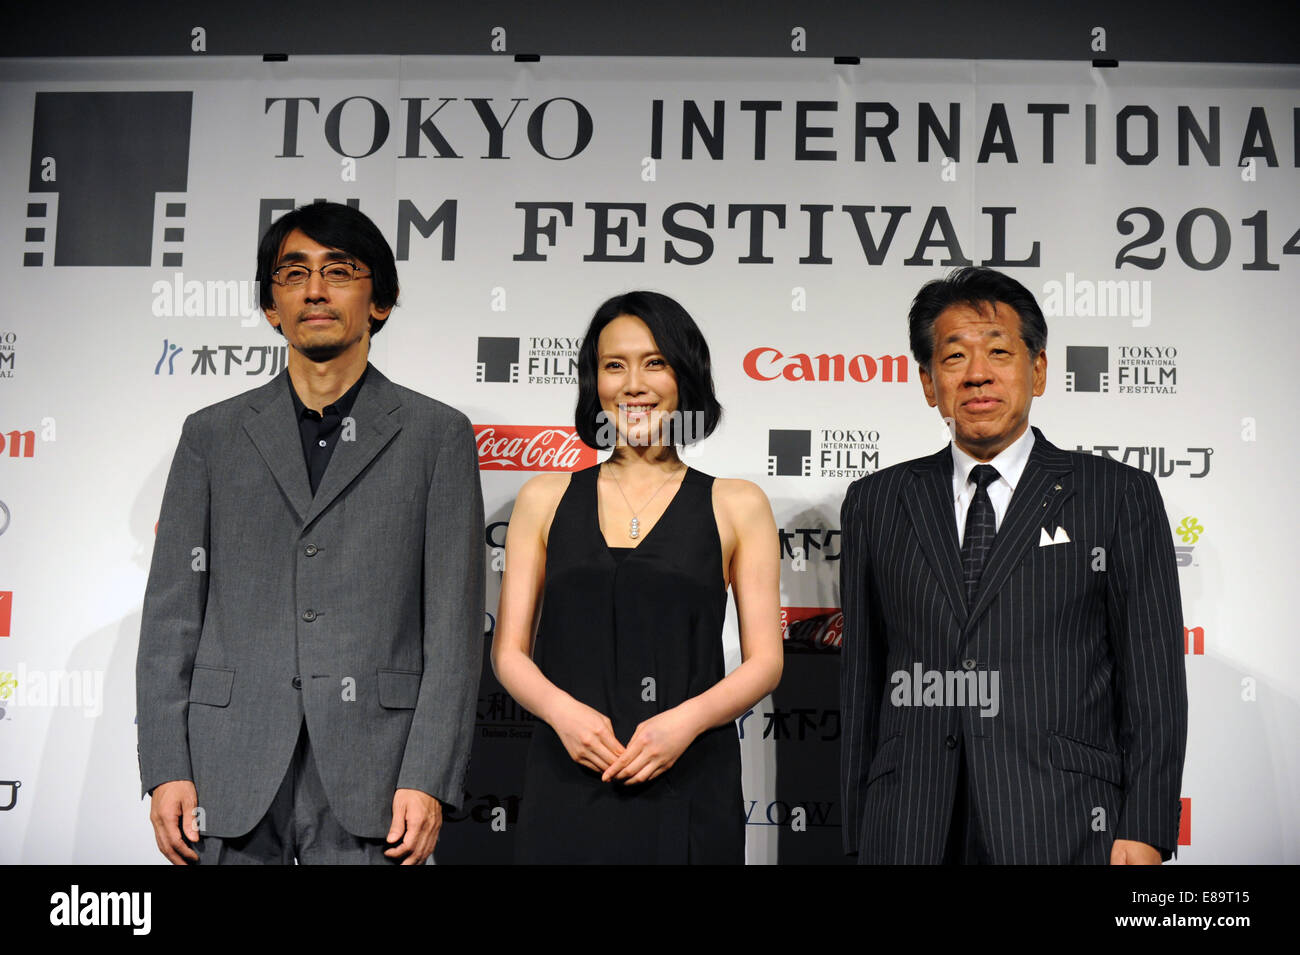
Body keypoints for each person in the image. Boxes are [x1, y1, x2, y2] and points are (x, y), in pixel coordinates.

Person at [136, 201, 484, 864]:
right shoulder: (211, 434)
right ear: (271, 306)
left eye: (339, 271)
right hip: (225, 764)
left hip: (378, 773)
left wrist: (428, 774)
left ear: (380, 300)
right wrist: (165, 762)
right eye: (293, 274)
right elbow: (171, 613)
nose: (315, 290)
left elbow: (454, 628)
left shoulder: (437, 435)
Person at [839, 266, 1188, 864]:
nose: (978, 374)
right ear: (928, 382)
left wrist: (1147, 828)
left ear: (1040, 370)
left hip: (1065, 819)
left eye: (1000, 352)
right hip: (908, 827)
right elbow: (861, 684)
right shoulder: (877, 502)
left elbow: (1152, 679)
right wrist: (855, 835)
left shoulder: (1115, 495)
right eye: (954, 358)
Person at [492, 291, 783, 863]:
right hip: (568, 774)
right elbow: (509, 652)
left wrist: (683, 724)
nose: (634, 384)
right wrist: (562, 714)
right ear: (593, 382)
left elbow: (766, 661)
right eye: (614, 365)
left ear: (685, 376)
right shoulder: (544, 497)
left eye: (655, 363)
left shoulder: (737, 503)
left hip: (690, 777)